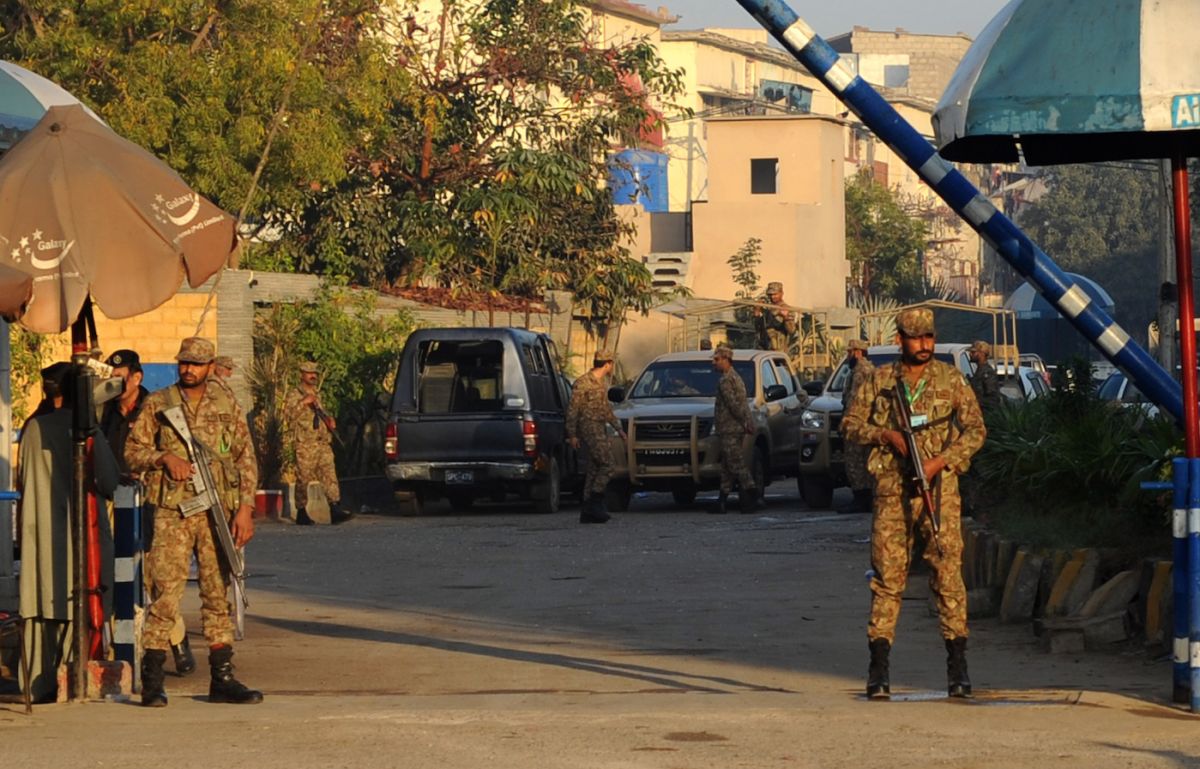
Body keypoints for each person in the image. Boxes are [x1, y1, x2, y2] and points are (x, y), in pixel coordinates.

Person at [841, 308, 985, 700]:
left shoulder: (951, 379)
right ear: (900, 339)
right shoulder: (880, 380)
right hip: (893, 489)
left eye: (928, 338)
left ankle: (957, 667)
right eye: (915, 338)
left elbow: (976, 430)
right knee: (888, 578)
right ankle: (879, 668)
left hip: (939, 493)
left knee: (948, 576)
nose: (923, 346)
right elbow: (850, 424)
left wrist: (944, 460)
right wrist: (886, 435)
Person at [125, 337, 262, 707]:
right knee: (165, 594)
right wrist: (163, 457)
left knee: (218, 594)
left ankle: (223, 677)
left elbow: (245, 456)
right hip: (173, 513)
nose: (189, 369)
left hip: (216, 511)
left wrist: (245, 508)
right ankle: (152, 679)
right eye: (184, 362)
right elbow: (131, 452)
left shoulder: (225, 402)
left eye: (197, 364)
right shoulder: (159, 403)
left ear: (209, 366)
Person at [18, 365, 119, 702]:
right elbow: (108, 482)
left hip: (38, 540)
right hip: (81, 540)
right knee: (82, 604)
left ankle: (38, 683)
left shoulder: (33, 427)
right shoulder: (84, 429)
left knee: (42, 603)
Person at [100, 349, 196, 676]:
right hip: (115, 498)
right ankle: (122, 646)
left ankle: (177, 640)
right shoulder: (106, 411)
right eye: (110, 378)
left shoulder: (155, 408)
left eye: (120, 378)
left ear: (136, 377)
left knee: (155, 575)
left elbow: (172, 452)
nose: (114, 384)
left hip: (151, 500)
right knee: (117, 571)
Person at [284, 361, 348, 524]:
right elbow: (288, 416)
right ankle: (301, 512)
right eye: (309, 373)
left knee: (330, 475)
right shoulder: (295, 394)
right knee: (303, 478)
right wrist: (303, 402)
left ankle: (335, 508)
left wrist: (329, 420)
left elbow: (320, 415)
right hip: (306, 444)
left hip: (322, 443)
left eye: (315, 373)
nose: (313, 376)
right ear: (302, 374)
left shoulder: (317, 394)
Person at [566, 350, 625, 524]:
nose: (611, 367)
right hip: (589, 429)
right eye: (611, 363)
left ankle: (587, 510)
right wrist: (572, 434)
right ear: (607, 364)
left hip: (600, 428)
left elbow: (605, 409)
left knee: (594, 469)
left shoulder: (600, 384)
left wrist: (618, 429)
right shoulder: (582, 383)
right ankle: (595, 501)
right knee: (608, 465)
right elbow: (573, 409)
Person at [711, 345, 756, 515]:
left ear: (725, 360)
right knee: (727, 466)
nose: (714, 363)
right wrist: (747, 421)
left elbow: (734, 404)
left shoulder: (726, 380)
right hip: (732, 428)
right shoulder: (736, 377)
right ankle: (722, 500)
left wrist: (745, 421)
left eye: (717, 360)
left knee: (736, 463)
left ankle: (752, 492)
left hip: (730, 428)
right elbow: (743, 404)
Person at [839, 339, 875, 514]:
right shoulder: (864, 370)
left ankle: (861, 498)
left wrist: (846, 424)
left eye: (850, 352)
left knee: (855, 462)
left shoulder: (861, 371)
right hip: (866, 425)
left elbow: (855, 401)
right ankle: (865, 498)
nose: (848, 356)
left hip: (858, 425)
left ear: (858, 352)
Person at [754, 281, 797, 352]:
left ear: (781, 293)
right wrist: (757, 311)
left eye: (775, 294)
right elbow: (758, 327)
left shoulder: (787, 309)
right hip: (764, 348)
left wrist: (785, 317)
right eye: (770, 295)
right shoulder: (767, 309)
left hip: (779, 349)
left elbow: (791, 330)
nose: (772, 297)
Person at [968, 341, 1002, 413]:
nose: (970, 354)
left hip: (986, 415)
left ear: (982, 354)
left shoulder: (988, 373)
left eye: (973, 352)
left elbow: (993, 399)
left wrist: (973, 400)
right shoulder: (980, 370)